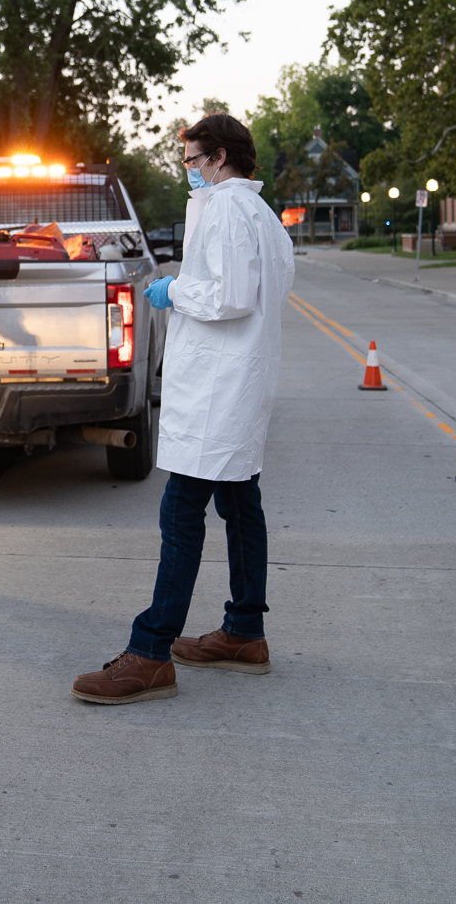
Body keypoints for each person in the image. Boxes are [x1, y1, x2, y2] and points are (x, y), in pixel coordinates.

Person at [71, 113, 295, 704]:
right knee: (241, 505)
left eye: (193, 160)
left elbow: (228, 296)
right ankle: (245, 631)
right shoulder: (264, 217)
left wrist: (175, 290)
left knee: (180, 513)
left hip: (218, 392)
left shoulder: (224, 207)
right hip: (241, 384)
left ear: (219, 157)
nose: (189, 172)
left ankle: (150, 653)